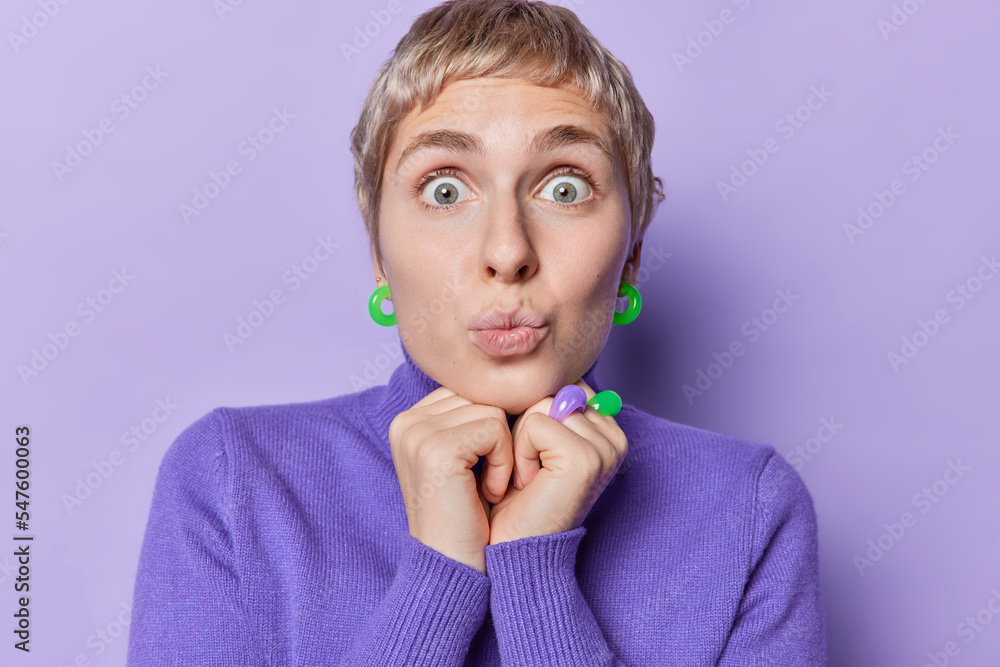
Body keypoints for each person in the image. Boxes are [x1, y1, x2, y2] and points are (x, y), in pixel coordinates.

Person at [127, 0, 827, 664]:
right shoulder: (233, 481)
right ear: (378, 252)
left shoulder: (748, 507)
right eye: (444, 188)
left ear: (633, 253)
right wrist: (438, 574)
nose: (507, 251)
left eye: (564, 187)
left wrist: (534, 574)